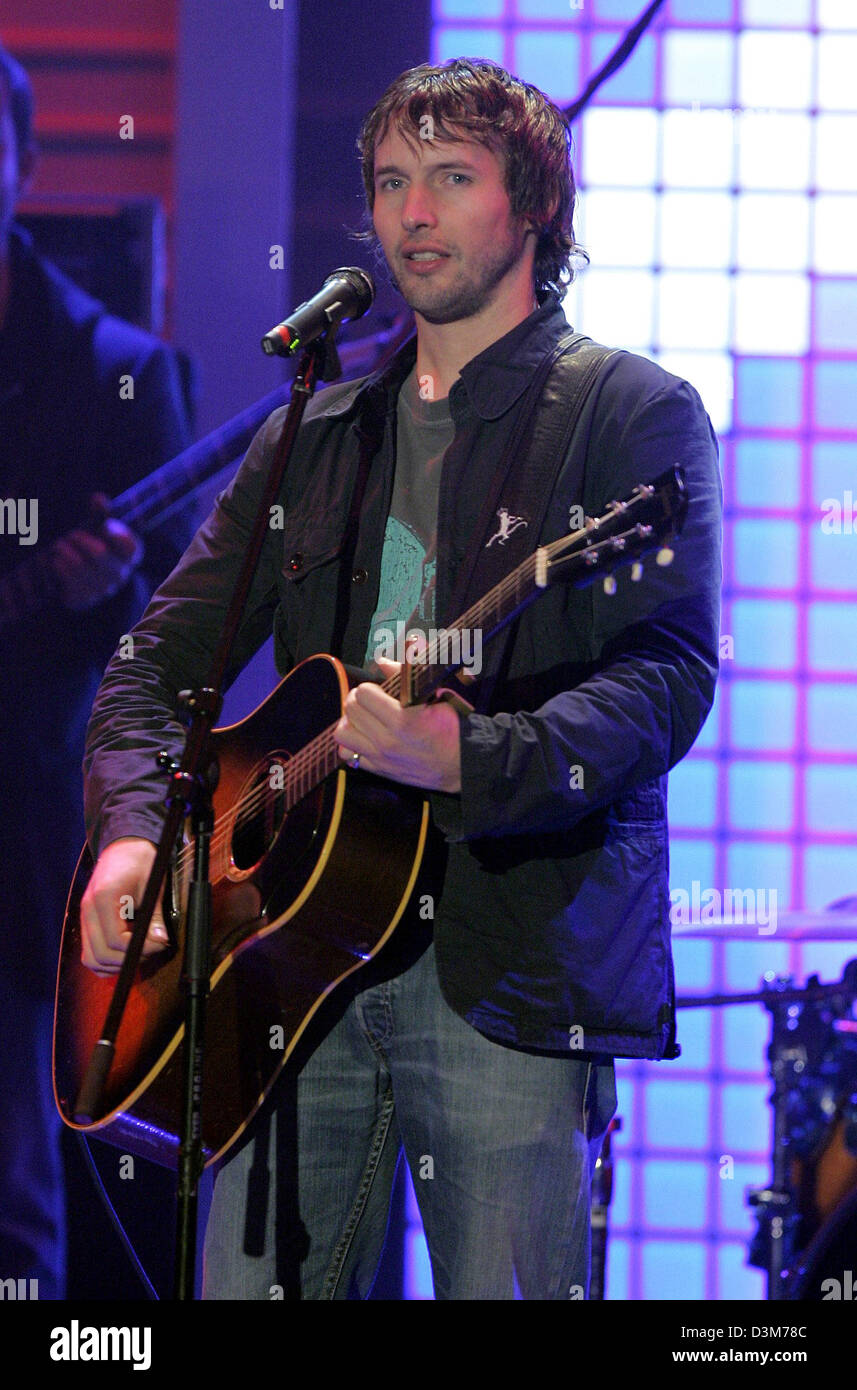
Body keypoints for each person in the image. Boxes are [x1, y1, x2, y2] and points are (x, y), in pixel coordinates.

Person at [79, 58, 722, 1300]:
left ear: (532, 202)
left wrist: (467, 758)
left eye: (450, 178)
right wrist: (127, 842)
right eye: (389, 182)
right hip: (284, 967)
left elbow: (664, 676)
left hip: (505, 962)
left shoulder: (628, 413)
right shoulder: (313, 430)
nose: (411, 213)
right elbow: (157, 663)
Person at [0, 43, 192, 1298]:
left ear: (18, 163)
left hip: (21, 825)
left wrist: (100, 589)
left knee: (14, 1174)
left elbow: (186, 635)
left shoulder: (117, 362)